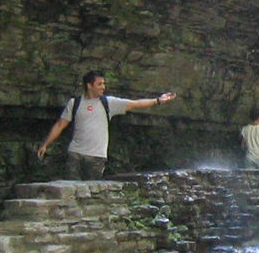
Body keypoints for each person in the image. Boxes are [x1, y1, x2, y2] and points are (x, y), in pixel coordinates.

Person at [36, 70, 177, 180]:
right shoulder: (75, 103)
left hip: (97, 157)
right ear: (89, 85)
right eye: (100, 84)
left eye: (104, 83)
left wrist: (158, 101)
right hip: (75, 154)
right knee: (71, 190)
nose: (103, 87)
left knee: (91, 193)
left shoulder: (108, 103)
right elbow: (60, 125)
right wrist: (45, 144)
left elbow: (136, 104)